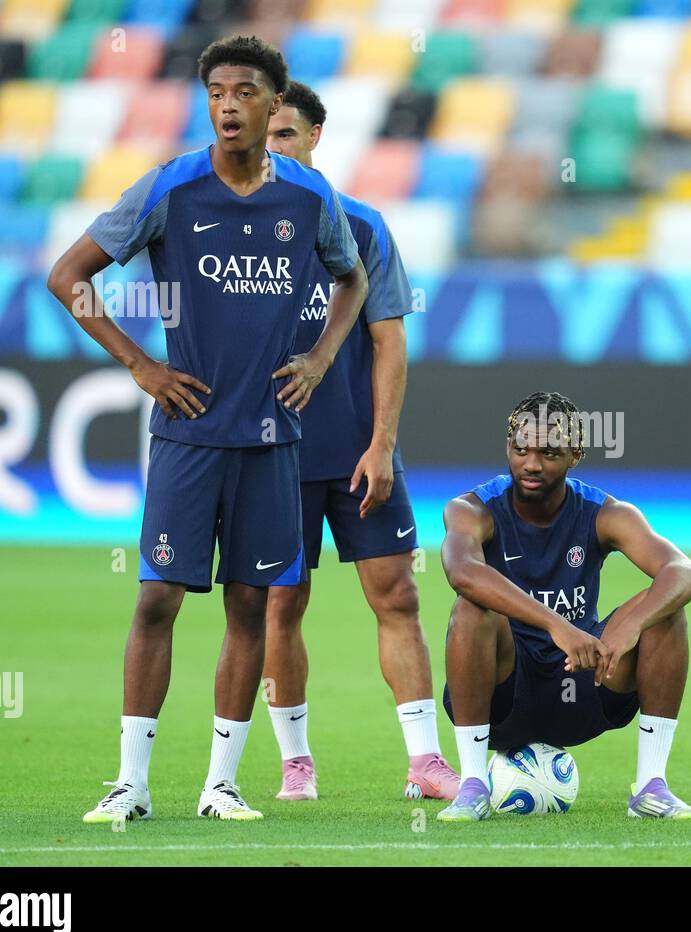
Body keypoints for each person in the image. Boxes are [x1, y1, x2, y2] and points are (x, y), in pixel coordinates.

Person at [46, 35, 368, 823]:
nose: (227, 105)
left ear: (273, 103)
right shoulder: (170, 189)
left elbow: (353, 277)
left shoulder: (307, 199)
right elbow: (68, 275)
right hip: (187, 436)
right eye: (216, 91)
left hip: (271, 443)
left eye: (244, 92)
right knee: (157, 600)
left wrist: (323, 357)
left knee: (250, 605)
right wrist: (139, 365)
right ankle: (132, 783)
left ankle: (220, 785)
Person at [263, 81, 458, 801]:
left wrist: (381, 444)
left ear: (315, 136)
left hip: (356, 450)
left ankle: (425, 762)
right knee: (281, 603)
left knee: (397, 595)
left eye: (285, 133)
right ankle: (295, 762)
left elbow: (390, 343)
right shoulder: (238, 230)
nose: (271, 146)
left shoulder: (365, 228)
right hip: (274, 454)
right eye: (263, 134)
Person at [434, 391, 691, 822]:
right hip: (502, 695)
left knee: (666, 609)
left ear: (575, 454)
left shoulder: (603, 512)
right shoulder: (472, 509)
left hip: (582, 683)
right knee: (470, 608)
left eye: (549, 452)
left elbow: (683, 570)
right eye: (520, 449)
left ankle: (652, 787)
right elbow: (462, 572)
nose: (531, 463)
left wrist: (629, 625)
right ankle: (471, 787)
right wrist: (556, 624)